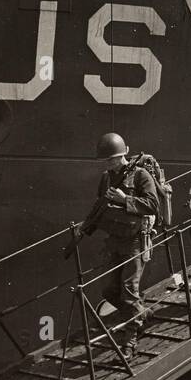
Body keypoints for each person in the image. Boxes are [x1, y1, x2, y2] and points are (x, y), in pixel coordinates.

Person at [82, 132, 160, 324]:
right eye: (106, 160)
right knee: (109, 291)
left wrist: (125, 199)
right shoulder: (106, 178)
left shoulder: (141, 175)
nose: (109, 163)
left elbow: (153, 205)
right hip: (114, 240)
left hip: (135, 240)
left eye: (112, 159)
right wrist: (84, 229)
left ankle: (130, 342)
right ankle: (144, 315)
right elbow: (100, 206)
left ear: (123, 154)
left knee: (128, 290)